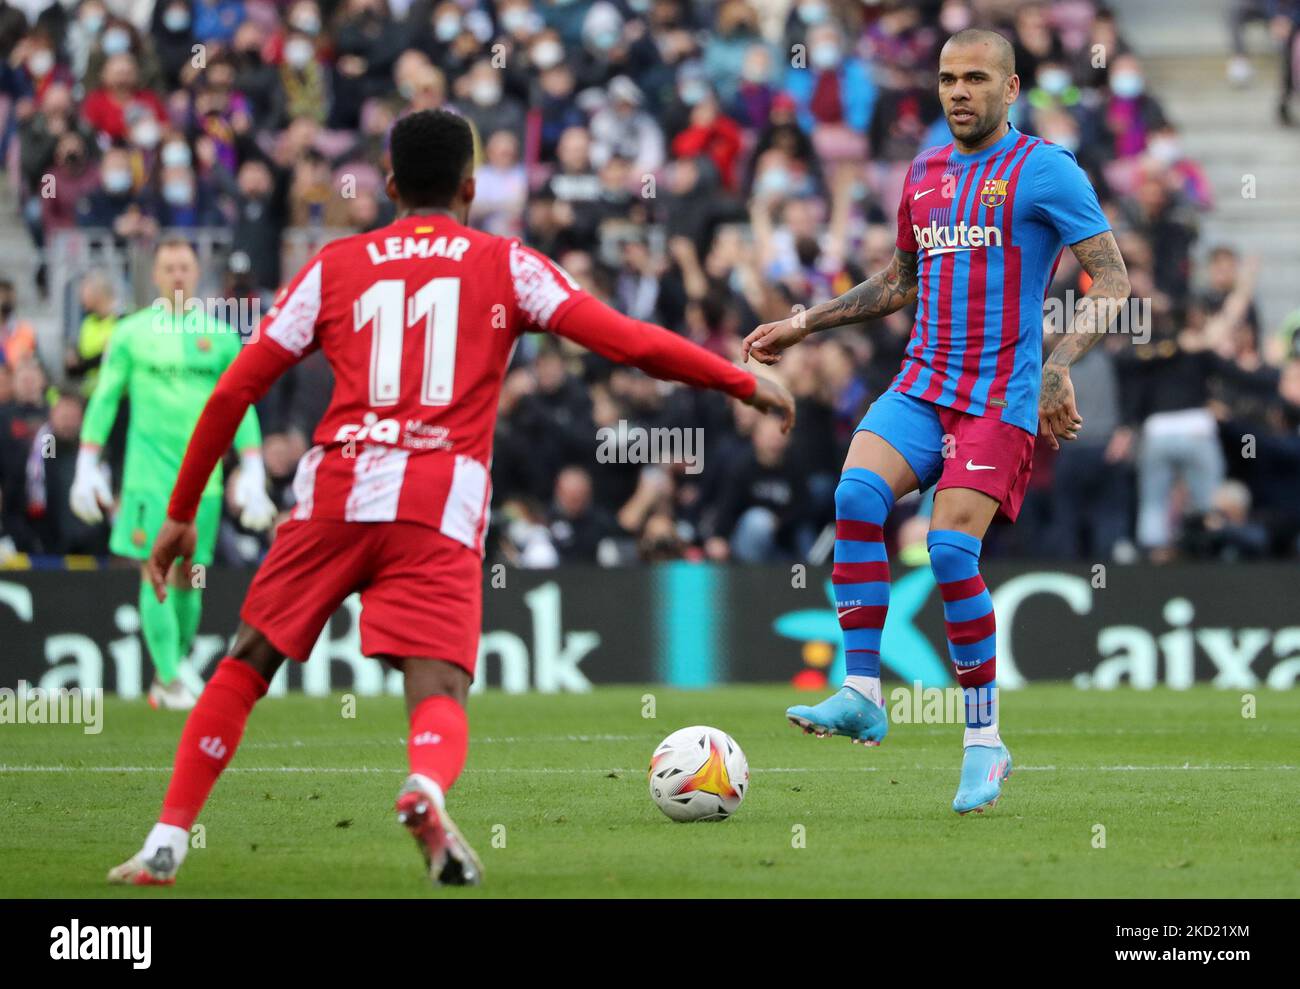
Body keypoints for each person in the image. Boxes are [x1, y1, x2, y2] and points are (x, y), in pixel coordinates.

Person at [108, 109, 793, 888]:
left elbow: (236, 388)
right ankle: (426, 786)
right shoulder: (506, 264)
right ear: (471, 186)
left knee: (246, 662)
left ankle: (166, 840)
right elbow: (626, 340)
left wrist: (177, 513)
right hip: (438, 498)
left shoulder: (336, 265)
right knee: (438, 689)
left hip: (337, 485)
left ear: (389, 185)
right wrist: (741, 381)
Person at [742, 29, 1131, 815]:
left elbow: (1113, 278)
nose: (958, 91)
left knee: (951, 552)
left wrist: (1060, 363)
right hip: (922, 383)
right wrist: (804, 323)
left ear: (1011, 88)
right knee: (856, 498)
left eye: (976, 78)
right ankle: (859, 689)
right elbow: (898, 282)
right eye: (948, 78)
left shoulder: (1047, 171)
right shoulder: (923, 173)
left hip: (997, 397)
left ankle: (985, 743)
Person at [70, 239, 277, 711]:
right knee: (154, 568)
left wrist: (253, 465)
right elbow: (105, 398)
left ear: (197, 271)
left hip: (205, 482)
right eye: (169, 267)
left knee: (190, 576)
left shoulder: (221, 337)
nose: (178, 275)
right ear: (156, 275)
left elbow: (239, 404)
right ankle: (169, 674)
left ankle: (172, 672)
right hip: (148, 479)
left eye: (185, 266)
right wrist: (87, 462)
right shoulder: (131, 334)